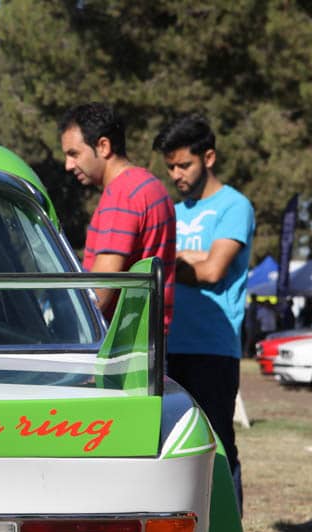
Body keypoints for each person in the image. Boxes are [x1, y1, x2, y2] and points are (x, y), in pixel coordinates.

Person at [153, 113, 254, 508]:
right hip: (167, 346)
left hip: (213, 348)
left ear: (208, 157)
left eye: (184, 165)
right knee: (170, 447)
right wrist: (188, 258)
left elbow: (213, 271)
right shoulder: (173, 211)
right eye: (170, 167)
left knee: (217, 446)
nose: (176, 175)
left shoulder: (234, 206)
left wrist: (171, 260)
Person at [58, 103, 176, 325]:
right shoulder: (150, 185)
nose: (68, 165)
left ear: (103, 146)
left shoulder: (122, 194)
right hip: (147, 335)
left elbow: (99, 291)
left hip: (122, 339)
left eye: (74, 154)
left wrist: (65, 324)